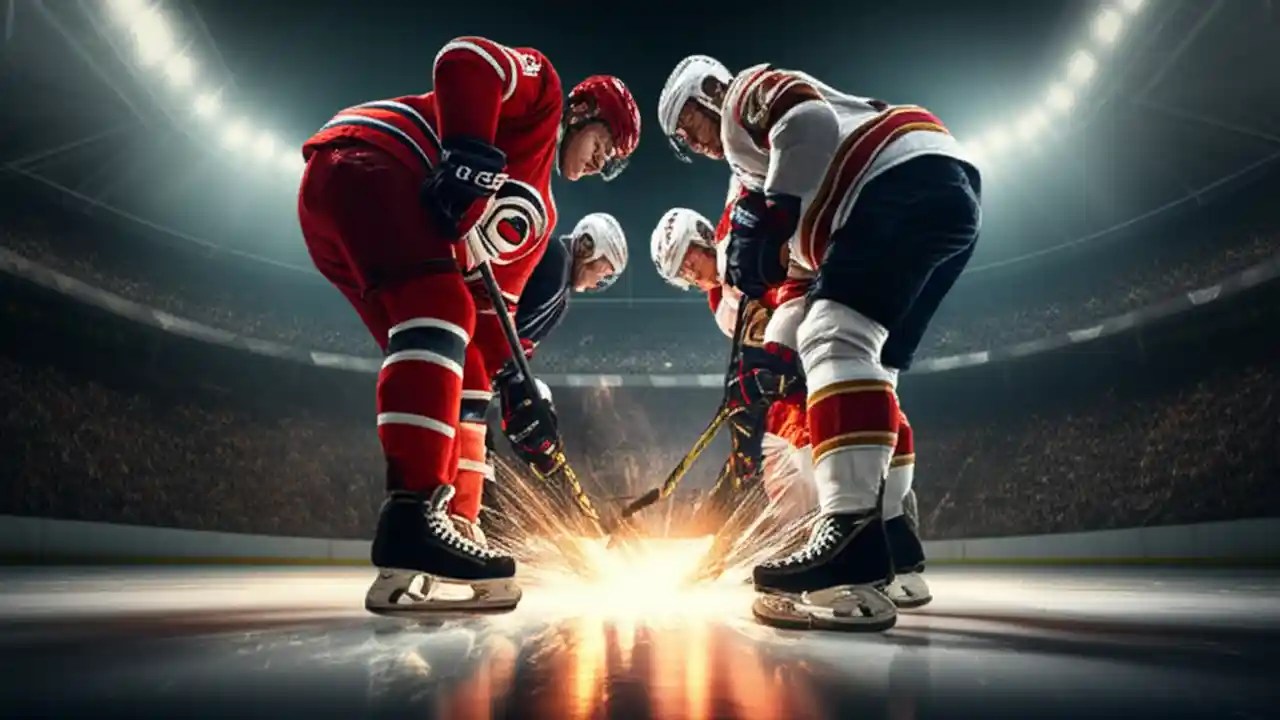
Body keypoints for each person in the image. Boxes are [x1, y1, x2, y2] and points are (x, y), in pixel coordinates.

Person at [297, 35, 640, 613]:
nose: (602, 160)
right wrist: (467, 150)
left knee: (461, 360)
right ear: (583, 112)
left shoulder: (543, 215)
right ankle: (411, 515)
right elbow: (464, 59)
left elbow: (483, 343)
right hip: (370, 156)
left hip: (343, 220)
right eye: (605, 142)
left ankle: (454, 519)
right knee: (442, 310)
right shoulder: (545, 98)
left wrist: (519, 391)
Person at [657, 55, 979, 630]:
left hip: (891, 182)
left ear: (707, 93)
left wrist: (776, 218)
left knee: (833, 338)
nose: (692, 141)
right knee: (870, 371)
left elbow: (805, 118)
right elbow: (803, 280)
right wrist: (773, 346)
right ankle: (890, 545)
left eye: (687, 125)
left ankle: (848, 555)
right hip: (939, 188)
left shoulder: (740, 104)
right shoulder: (759, 182)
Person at [470, 213, 628, 539]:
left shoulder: (560, 285)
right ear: (587, 245)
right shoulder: (553, 257)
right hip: (471, 361)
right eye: (605, 270)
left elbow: (517, 343)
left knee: (477, 446)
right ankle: (482, 525)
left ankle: (485, 524)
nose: (601, 282)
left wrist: (526, 390)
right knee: (472, 445)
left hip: (479, 369)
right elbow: (506, 329)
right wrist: (521, 389)